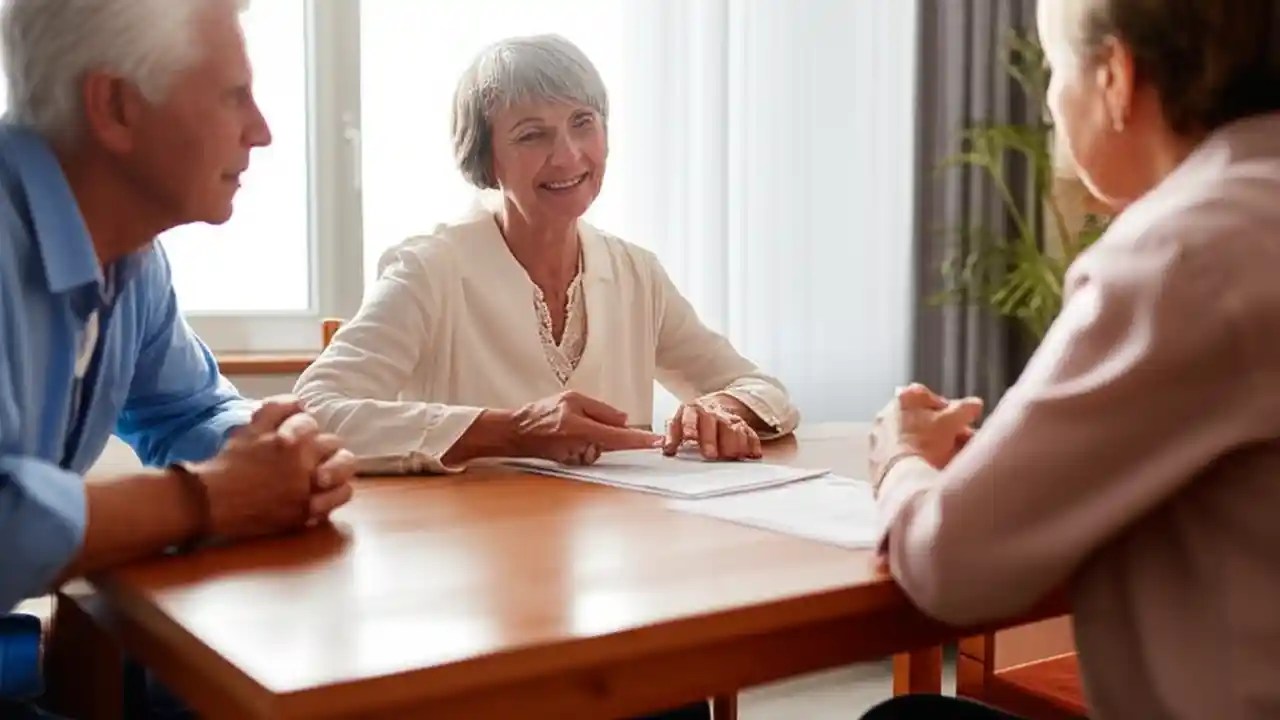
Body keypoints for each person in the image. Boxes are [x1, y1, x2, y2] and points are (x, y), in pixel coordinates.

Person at [860, 0, 1280, 718]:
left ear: (1116, 76)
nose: (1051, 101)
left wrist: (901, 459)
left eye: (1054, 70)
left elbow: (951, 567)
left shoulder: (1182, 255)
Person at [0, 0, 357, 716]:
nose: (262, 130)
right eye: (233, 96)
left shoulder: (132, 260)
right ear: (117, 106)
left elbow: (191, 406)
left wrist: (272, 451)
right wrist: (216, 495)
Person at [295, 34, 800, 474]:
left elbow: (763, 388)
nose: (568, 156)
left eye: (583, 123)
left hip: (617, 558)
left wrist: (718, 407)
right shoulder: (428, 271)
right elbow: (311, 412)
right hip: (463, 558)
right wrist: (513, 430)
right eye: (532, 135)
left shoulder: (636, 273)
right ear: (486, 159)